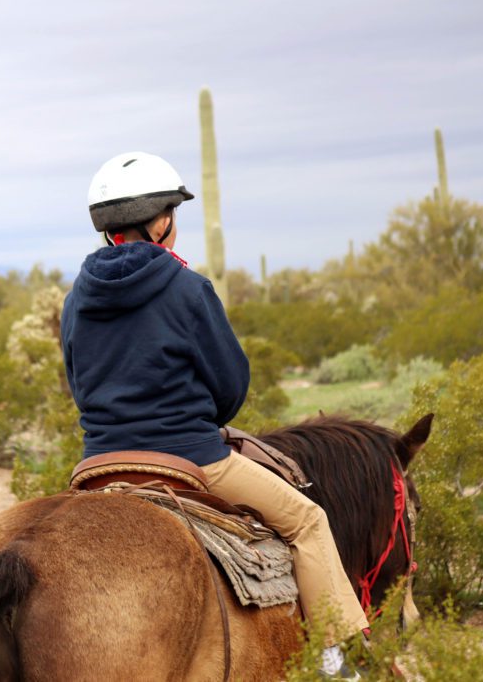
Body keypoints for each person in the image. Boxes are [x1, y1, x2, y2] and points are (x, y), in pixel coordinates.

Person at [60, 151, 370, 680]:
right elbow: (230, 390)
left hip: (100, 465)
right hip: (194, 460)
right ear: (160, 221)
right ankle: (335, 663)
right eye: (173, 215)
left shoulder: (74, 300)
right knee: (308, 522)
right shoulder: (187, 288)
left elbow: (77, 384)